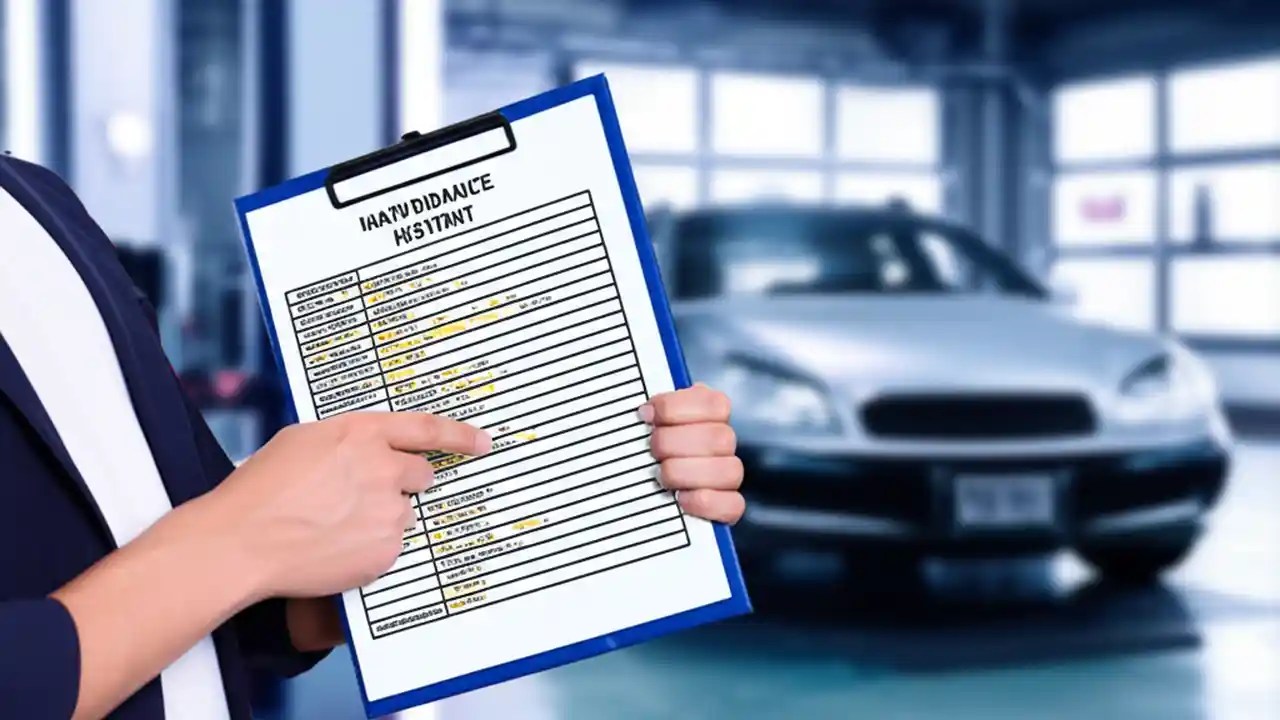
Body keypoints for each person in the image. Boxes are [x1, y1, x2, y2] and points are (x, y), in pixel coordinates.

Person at [0, 155, 746, 720]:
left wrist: (604, 486)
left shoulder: (38, 206)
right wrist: (238, 545)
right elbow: (219, 552)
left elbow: (220, 596)